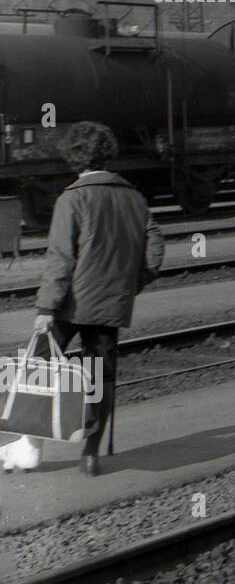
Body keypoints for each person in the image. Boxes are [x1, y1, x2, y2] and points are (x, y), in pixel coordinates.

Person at [3, 122, 164, 476]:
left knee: (38, 370)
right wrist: (127, 285)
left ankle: (28, 448)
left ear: (74, 158)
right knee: (100, 376)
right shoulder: (134, 198)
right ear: (108, 155)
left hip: (68, 305)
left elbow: (60, 258)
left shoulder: (72, 198)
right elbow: (154, 252)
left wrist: (46, 307)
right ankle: (90, 454)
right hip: (110, 305)